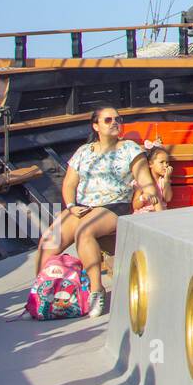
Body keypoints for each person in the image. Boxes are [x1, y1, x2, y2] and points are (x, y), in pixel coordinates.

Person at [35, 107, 164, 317]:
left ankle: (96, 290)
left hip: (113, 206)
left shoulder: (130, 149)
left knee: (84, 232)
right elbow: (69, 184)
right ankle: (40, 296)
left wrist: (149, 191)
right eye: (108, 120)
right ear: (96, 126)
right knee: (47, 243)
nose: (114, 122)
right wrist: (70, 206)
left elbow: (144, 179)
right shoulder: (84, 152)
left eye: (117, 119)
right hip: (83, 207)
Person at [134, 143, 174, 213]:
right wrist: (142, 198)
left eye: (167, 162)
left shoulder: (163, 181)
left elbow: (167, 198)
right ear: (150, 164)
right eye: (162, 162)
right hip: (144, 214)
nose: (166, 165)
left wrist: (167, 180)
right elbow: (135, 205)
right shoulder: (141, 181)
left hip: (160, 212)